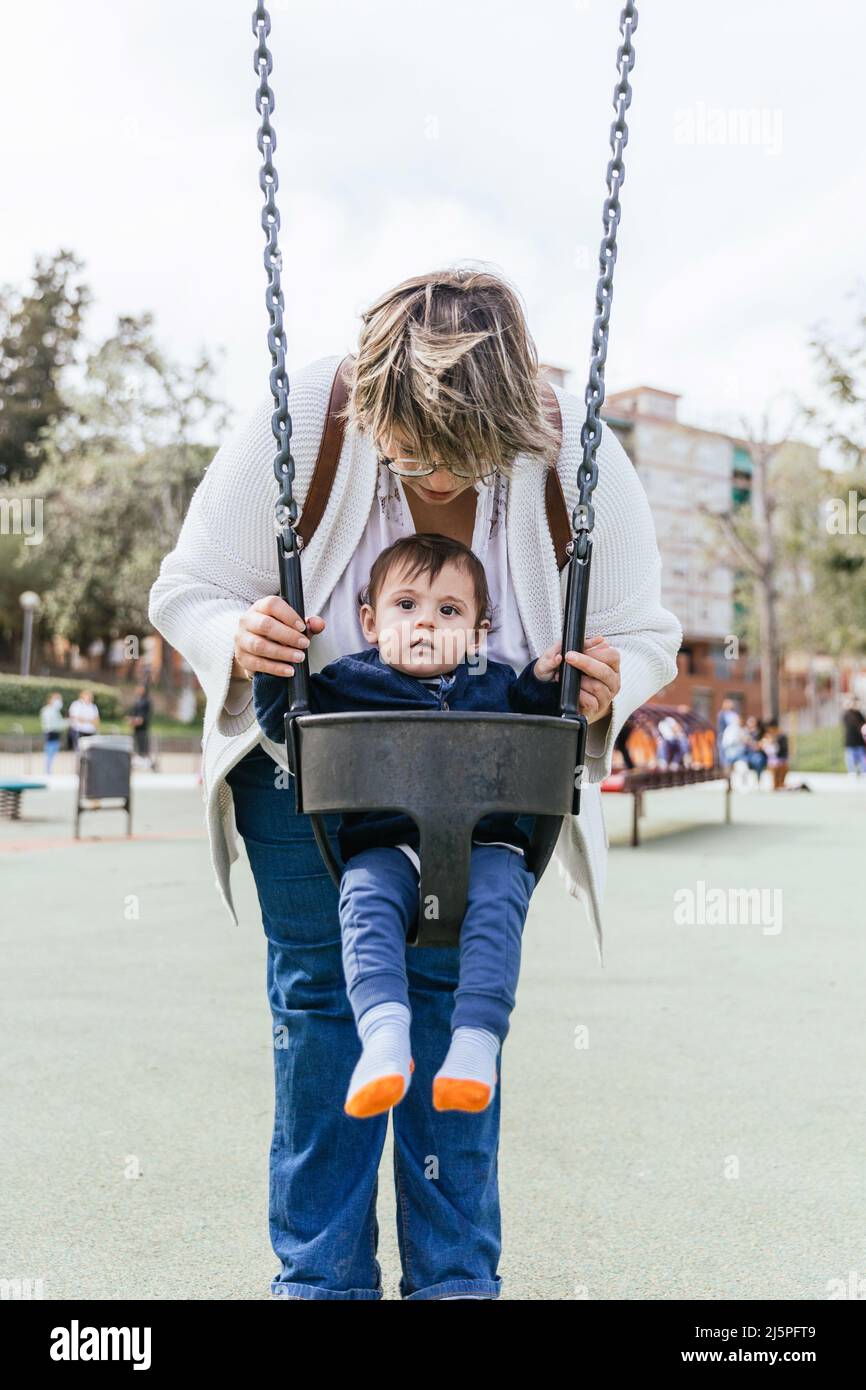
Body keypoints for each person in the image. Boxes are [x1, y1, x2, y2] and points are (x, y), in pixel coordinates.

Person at [149, 267, 682, 1301]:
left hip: (483, 776)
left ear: (513, 418)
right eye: (411, 452)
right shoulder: (312, 410)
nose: (433, 479)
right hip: (307, 769)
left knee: (448, 1018)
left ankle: (451, 1283)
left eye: (459, 459)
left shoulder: (574, 450)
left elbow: (647, 631)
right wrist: (237, 632)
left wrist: (619, 673)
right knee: (321, 1013)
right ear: (369, 399)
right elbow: (190, 589)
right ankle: (320, 1281)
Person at [254, 533, 576, 1119]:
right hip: (388, 845)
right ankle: (383, 1036)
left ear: (479, 635)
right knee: (364, 897)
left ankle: (476, 1044)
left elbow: (539, 716)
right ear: (371, 622)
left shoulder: (496, 684)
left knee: (503, 899)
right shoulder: (345, 683)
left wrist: (551, 682)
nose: (426, 623)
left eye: (449, 611)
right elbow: (285, 725)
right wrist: (278, 668)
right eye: (407, 606)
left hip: (487, 846)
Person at [39, 692, 67, 774]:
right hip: (50, 733)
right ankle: (47, 771)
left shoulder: (55, 711)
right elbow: (55, 724)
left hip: (55, 733)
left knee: (53, 751)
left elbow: (60, 723)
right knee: (49, 752)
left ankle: (48, 771)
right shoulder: (47, 710)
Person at [67, 688, 100, 752]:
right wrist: (90, 721)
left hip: (91, 731)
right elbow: (75, 718)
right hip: (79, 731)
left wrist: (85, 720)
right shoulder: (76, 704)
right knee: (80, 751)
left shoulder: (93, 706)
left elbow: (97, 720)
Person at [127, 684, 153, 766]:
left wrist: (139, 720)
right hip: (136, 727)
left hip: (143, 727)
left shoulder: (147, 701)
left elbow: (145, 715)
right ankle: (138, 758)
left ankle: (145, 759)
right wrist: (131, 720)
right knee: (136, 743)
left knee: (143, 743)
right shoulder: (137, 700)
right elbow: (134, 712)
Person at [841, 697, 866, 777]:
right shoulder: (847, 714)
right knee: (850, 757)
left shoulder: (860, 714)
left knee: (862, 757)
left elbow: (862, 726)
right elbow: (851, 723)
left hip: (860, 741)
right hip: (850, 741)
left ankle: (864, 771)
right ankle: (852, 771)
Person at [762, 719, 789, 791]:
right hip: (772, 760)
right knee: (773, 766)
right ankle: (775, 785)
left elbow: (783, 751)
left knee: (781, 766)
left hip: (780, 759)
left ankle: (780, 784)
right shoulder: (768, 737)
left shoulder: (782, 736)